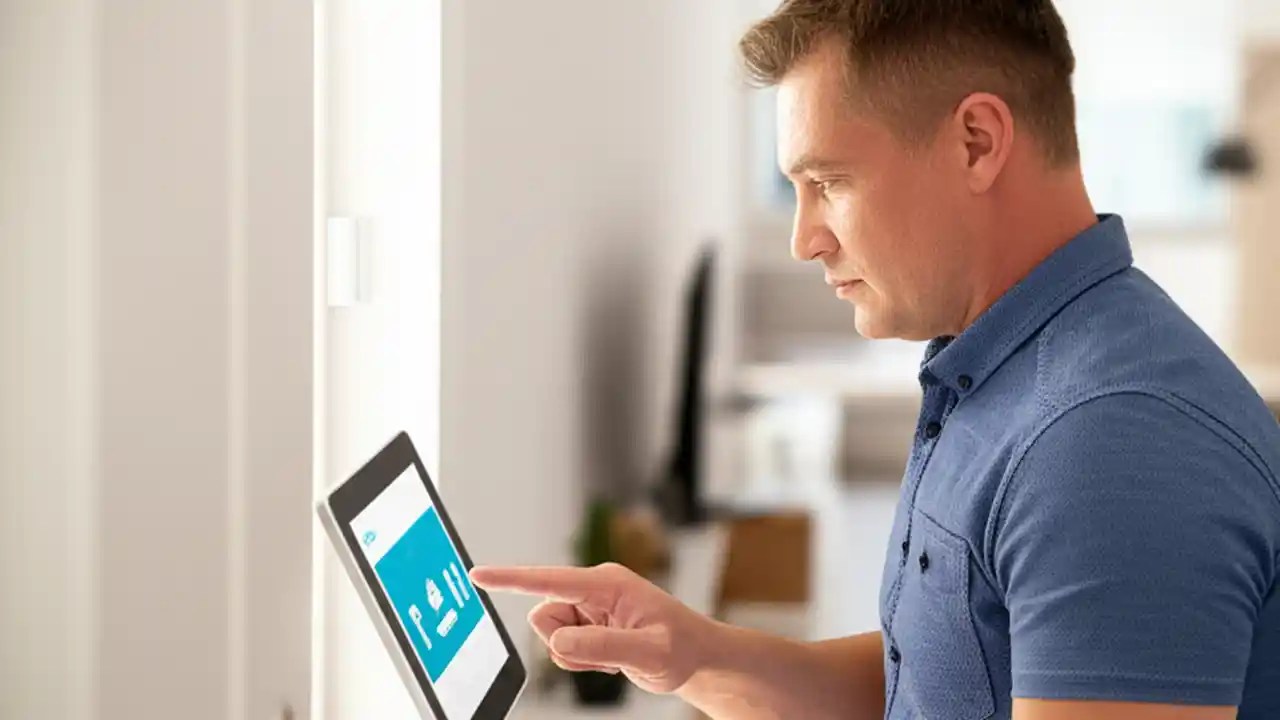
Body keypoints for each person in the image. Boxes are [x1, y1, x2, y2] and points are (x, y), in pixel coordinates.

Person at [472, 1, 1280, 718]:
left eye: (829, 181)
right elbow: (940, 685)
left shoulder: (1107, 440)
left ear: (977, 142)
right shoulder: (1001, 371)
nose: (804, 239)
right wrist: (698, 657)